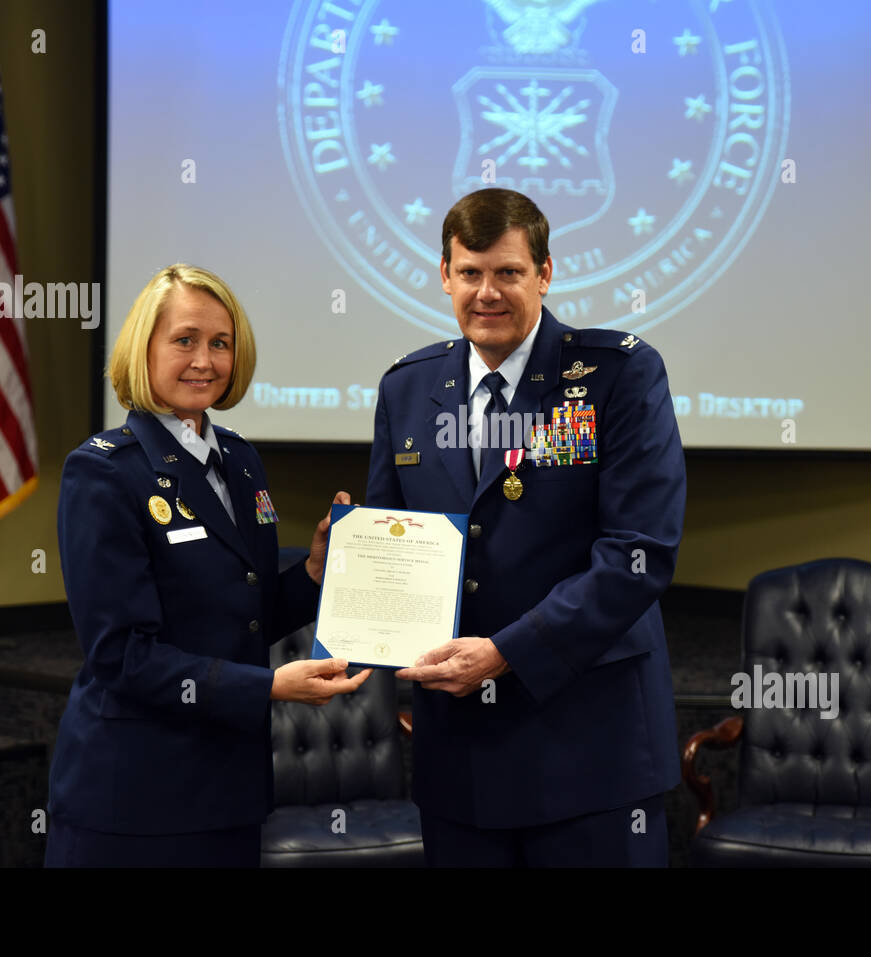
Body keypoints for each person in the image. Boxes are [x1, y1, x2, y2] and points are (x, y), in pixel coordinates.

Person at [368, 189, 686, 866]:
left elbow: (639, 554)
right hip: (461, 754)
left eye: (508, 272)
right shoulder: (406, 388)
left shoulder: (617, 375)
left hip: (591, 747)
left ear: (545, 272)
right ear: (444, 275)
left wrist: (509, 649)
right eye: (471, 272)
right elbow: (393, 542)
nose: (488, 291)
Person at [45, 264, 369, 867]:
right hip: (135, 794)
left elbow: (247, 613)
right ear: (143, 349)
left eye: (221, 343)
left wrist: (314, 573)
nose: (205, 360)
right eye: (185, 340)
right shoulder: (104, 472)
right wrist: (269, 685)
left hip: (230, 789)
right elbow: (122, 655)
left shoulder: (242, 462)